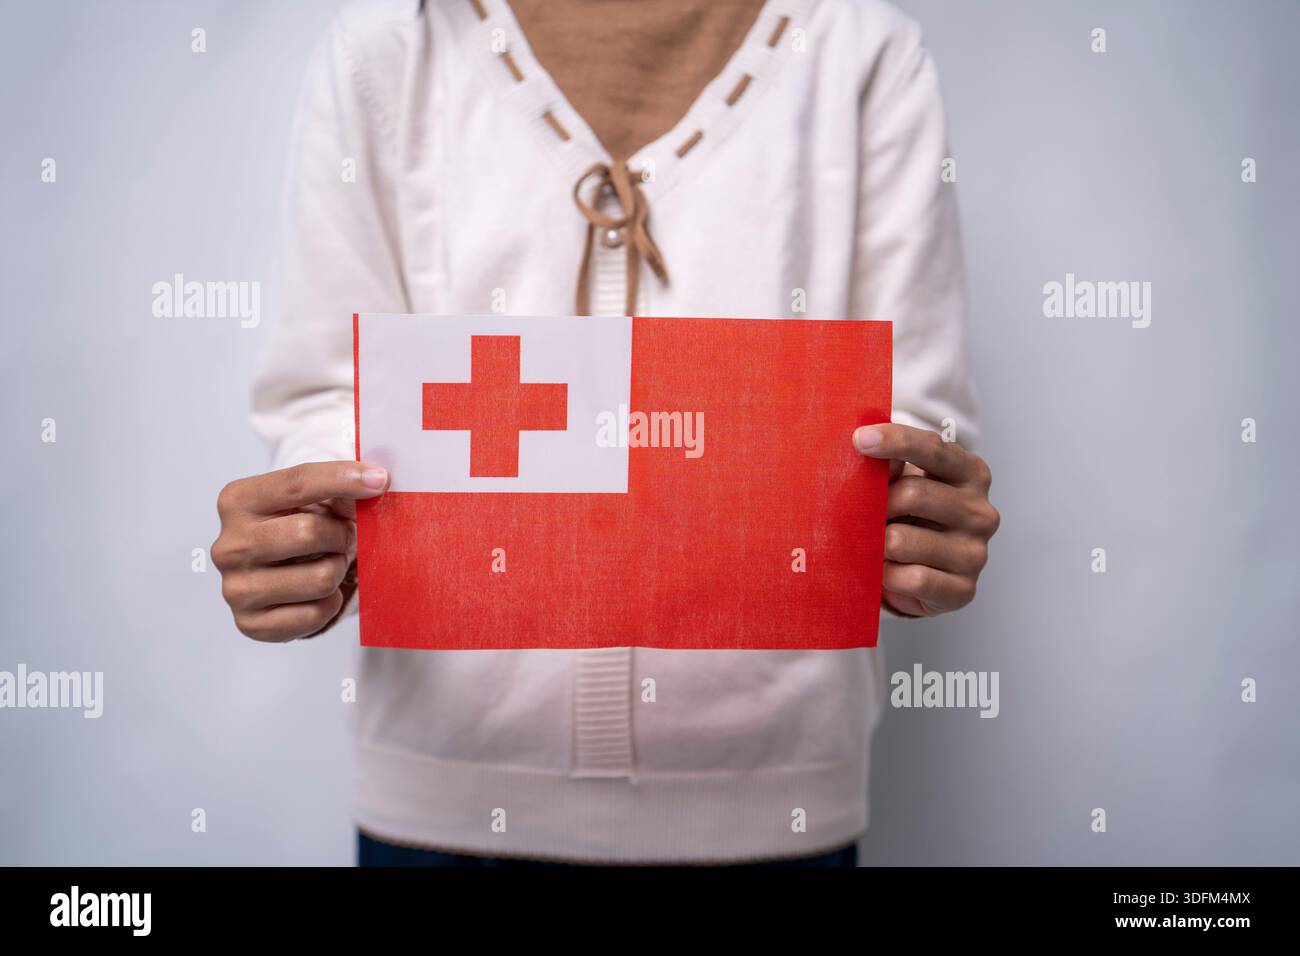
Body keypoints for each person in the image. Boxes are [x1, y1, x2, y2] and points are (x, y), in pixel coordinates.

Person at [211, 0, 1000, 867]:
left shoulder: (862, 51)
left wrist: (920, 525)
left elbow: (913, 416)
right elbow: (334, 392)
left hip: (775, 808)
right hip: (442, 801)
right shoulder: (390, 44)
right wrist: (314, 540)